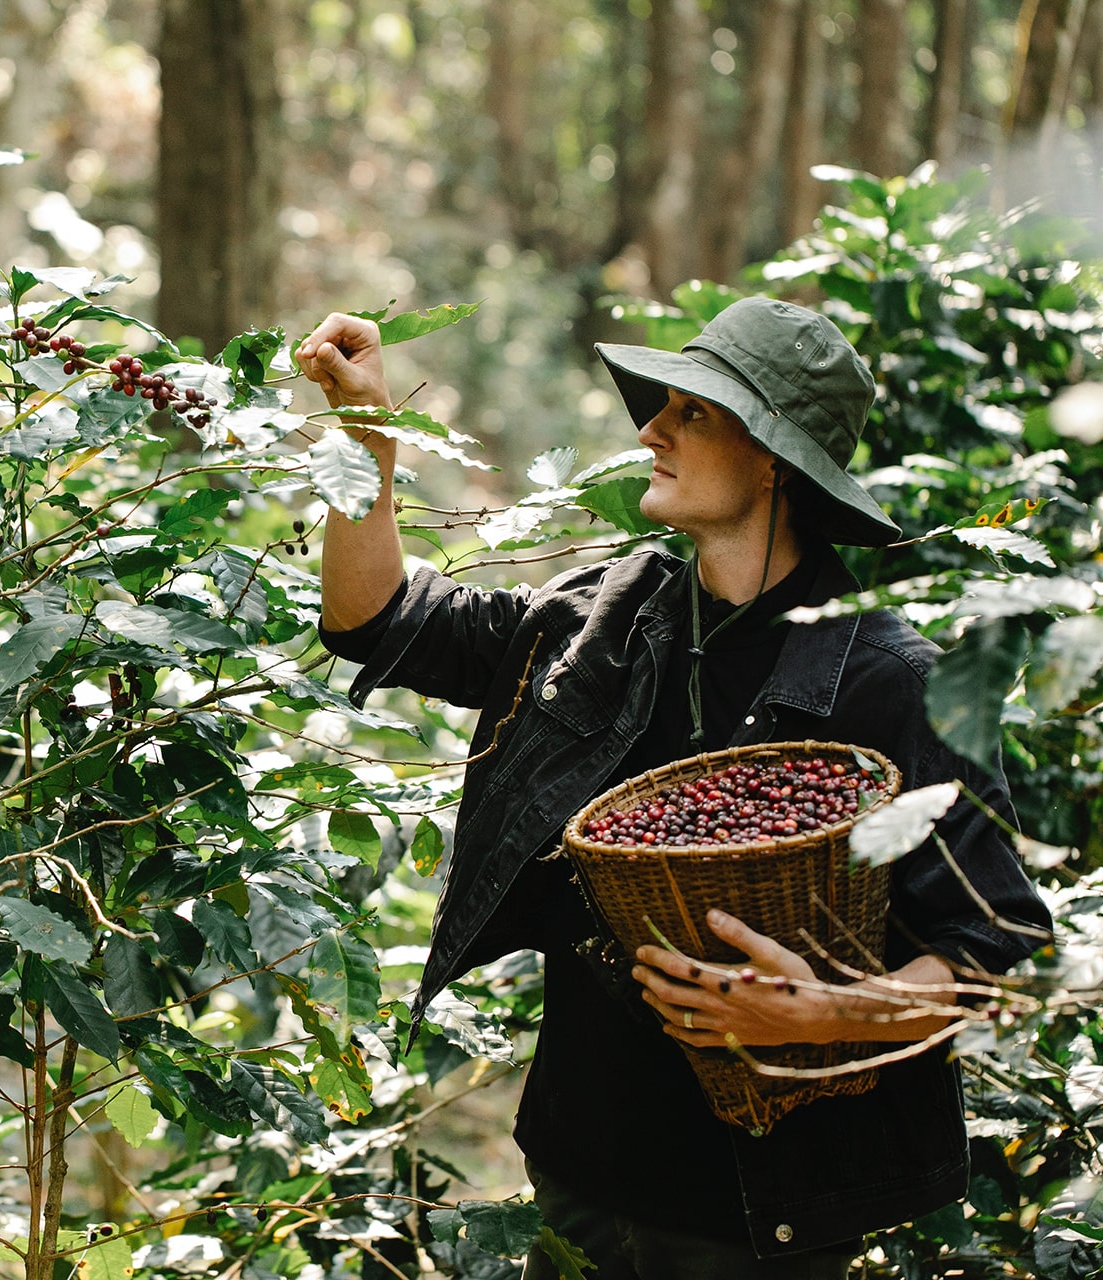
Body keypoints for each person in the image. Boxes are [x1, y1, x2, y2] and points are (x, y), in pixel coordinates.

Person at [295, 298, 1052, 1278]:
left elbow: (998, 952)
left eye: (693, 412)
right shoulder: (606, 620)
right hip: (575, 1176)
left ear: (775, 457)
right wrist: (370, 434)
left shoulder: (888, 682)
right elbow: (376, 620)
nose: (650, 426)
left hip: (755, 1219)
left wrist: (823, 1010)